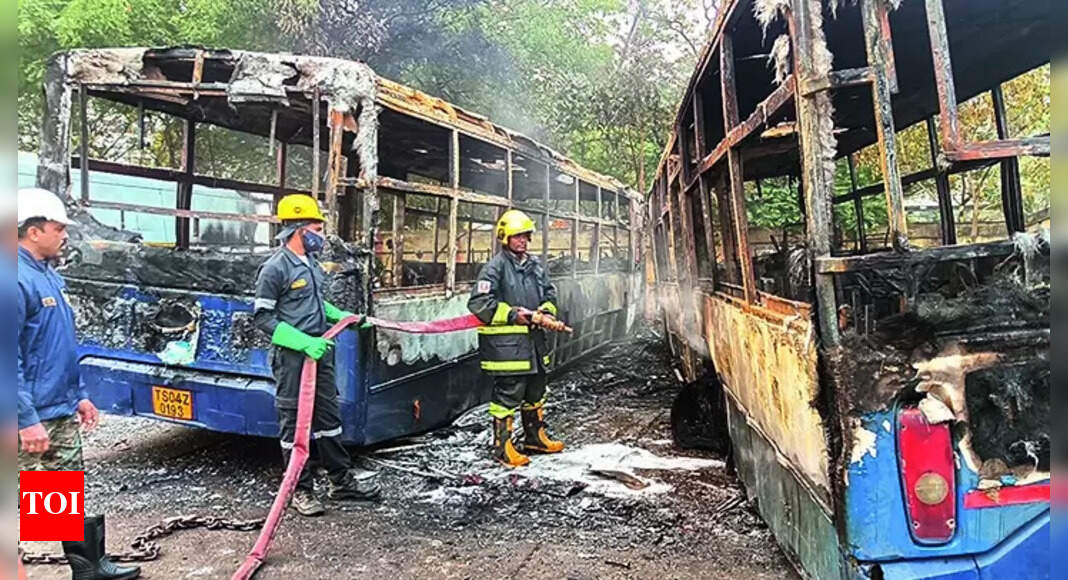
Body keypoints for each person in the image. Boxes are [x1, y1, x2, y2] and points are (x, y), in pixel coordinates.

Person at [16, 188, 141, 580]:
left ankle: (88, 569)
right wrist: (23, 418)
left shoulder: (46, 275)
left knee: (57, 498)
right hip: (26, 415)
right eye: (58, 227)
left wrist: (80, 396)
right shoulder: (13, 279)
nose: (64, 234)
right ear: (33, 231)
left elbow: (57, 346)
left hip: (57, 407)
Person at [253, 194, 380, 516]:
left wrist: (343, 317)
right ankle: (301, 490)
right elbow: (263, 318)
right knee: (295, 425)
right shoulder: (275, 269)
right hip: (294, 360)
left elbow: (315, 306)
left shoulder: (310, 265)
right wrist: (302, 343)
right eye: (317, 228)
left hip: (320, 355)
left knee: (328, 420)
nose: (322, 235)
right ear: (298, 229)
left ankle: (341, 482)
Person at [467, 209, 566, 468]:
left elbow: (550, 294)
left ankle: (535, 438)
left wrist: (545, 311)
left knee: (536, 391)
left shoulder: (535, 266)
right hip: (507, 350)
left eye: (526, 236)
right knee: (508, 396)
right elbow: (479, 303)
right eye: (517, 236)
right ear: (505, 237)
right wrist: (512, 315)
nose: (523, 240)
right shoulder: (494, 268)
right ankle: (502, 448)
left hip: (533, 346)